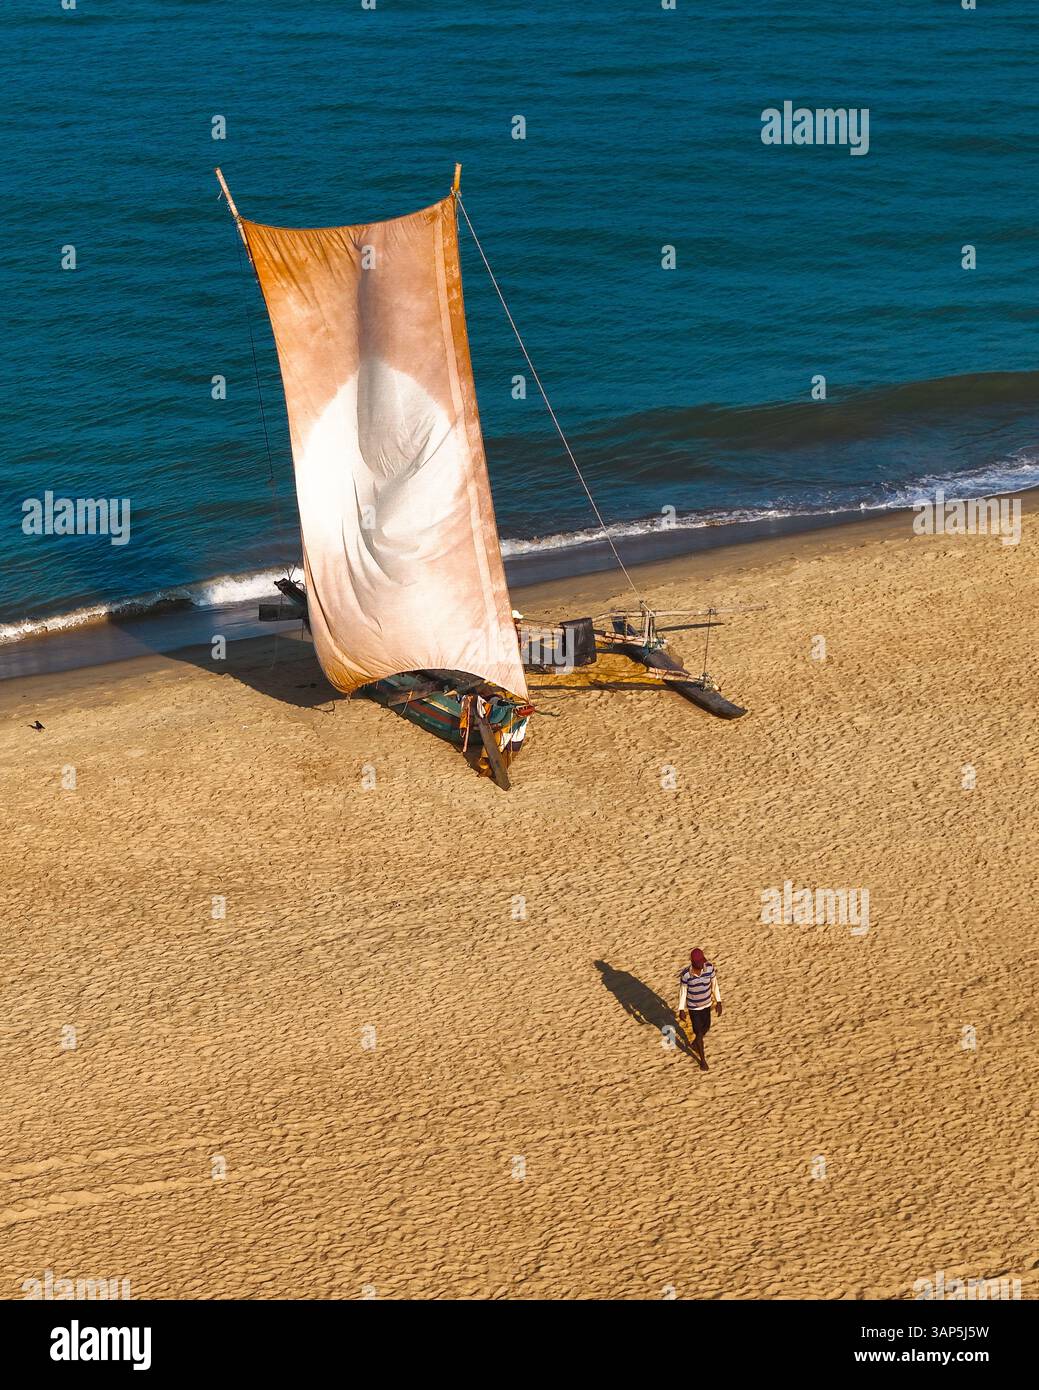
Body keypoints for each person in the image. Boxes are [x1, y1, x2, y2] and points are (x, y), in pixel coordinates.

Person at [677, 948, 722, 1070]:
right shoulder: (686, 975)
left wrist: (718, 1001)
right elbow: (683, 991)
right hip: (694, 1008)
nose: (702, 964)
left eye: (703, 961)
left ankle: (695, 1043)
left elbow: (714, 984)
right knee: (699, 1033)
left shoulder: (709, 968)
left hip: (707, 1005)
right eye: (699, 962)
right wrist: (681, 1009)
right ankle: (702, 1060)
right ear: (693, 962)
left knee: (706, 1027)